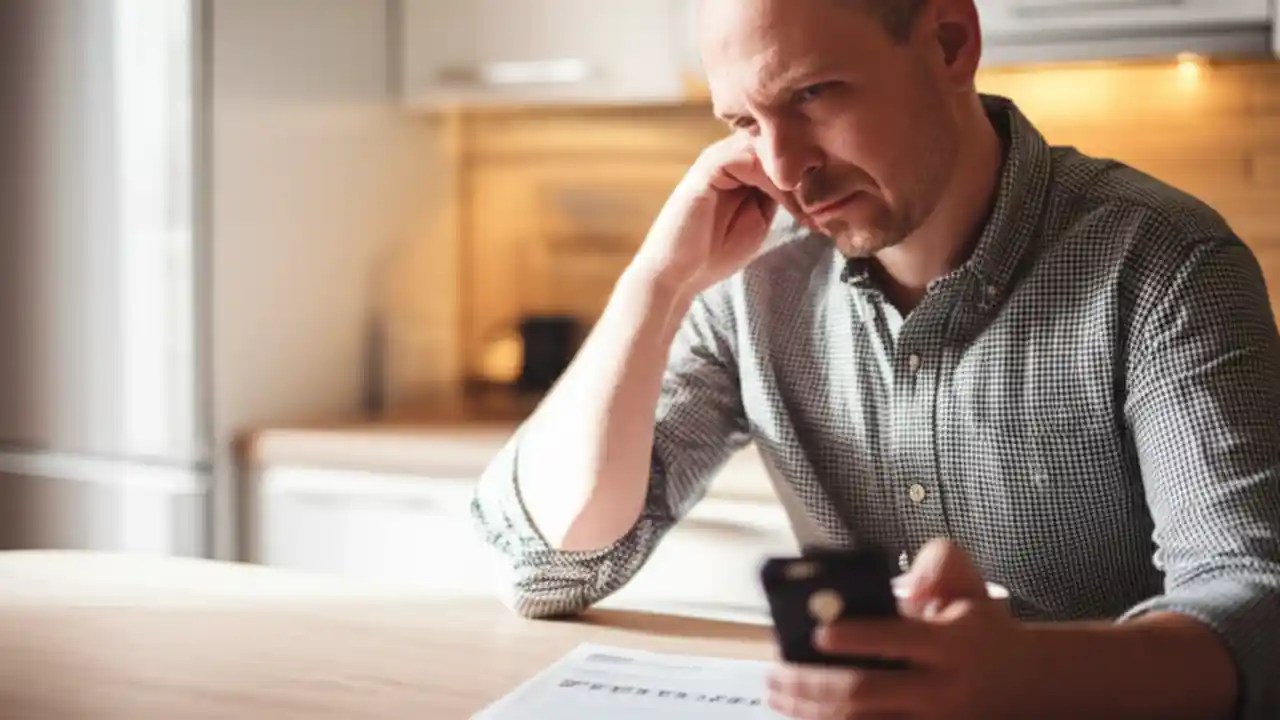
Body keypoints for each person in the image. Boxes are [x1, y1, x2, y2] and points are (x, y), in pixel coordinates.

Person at [472, 0, 1280, 717]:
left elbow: (1257, 608)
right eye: (744, 124)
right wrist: (656, 284)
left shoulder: (1165, 262)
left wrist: (1027, 674)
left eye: (811, 94)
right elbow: (552, 569)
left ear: (951, 42)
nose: (785, 170)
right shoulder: (751, 282)